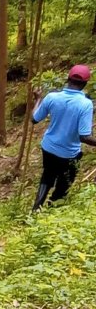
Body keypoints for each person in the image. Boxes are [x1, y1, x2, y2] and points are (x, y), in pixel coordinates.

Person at [32, 65, 95, 211]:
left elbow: (34, 118)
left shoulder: (52, 97)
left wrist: (38, 99)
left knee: (47, 176)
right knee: (64, 184)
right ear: (85, 84)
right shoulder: (85, 104)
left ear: (68, 79)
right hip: (69, 154)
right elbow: (84, 137)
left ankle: (36, 209)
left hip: (48, 147)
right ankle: (52, 211)